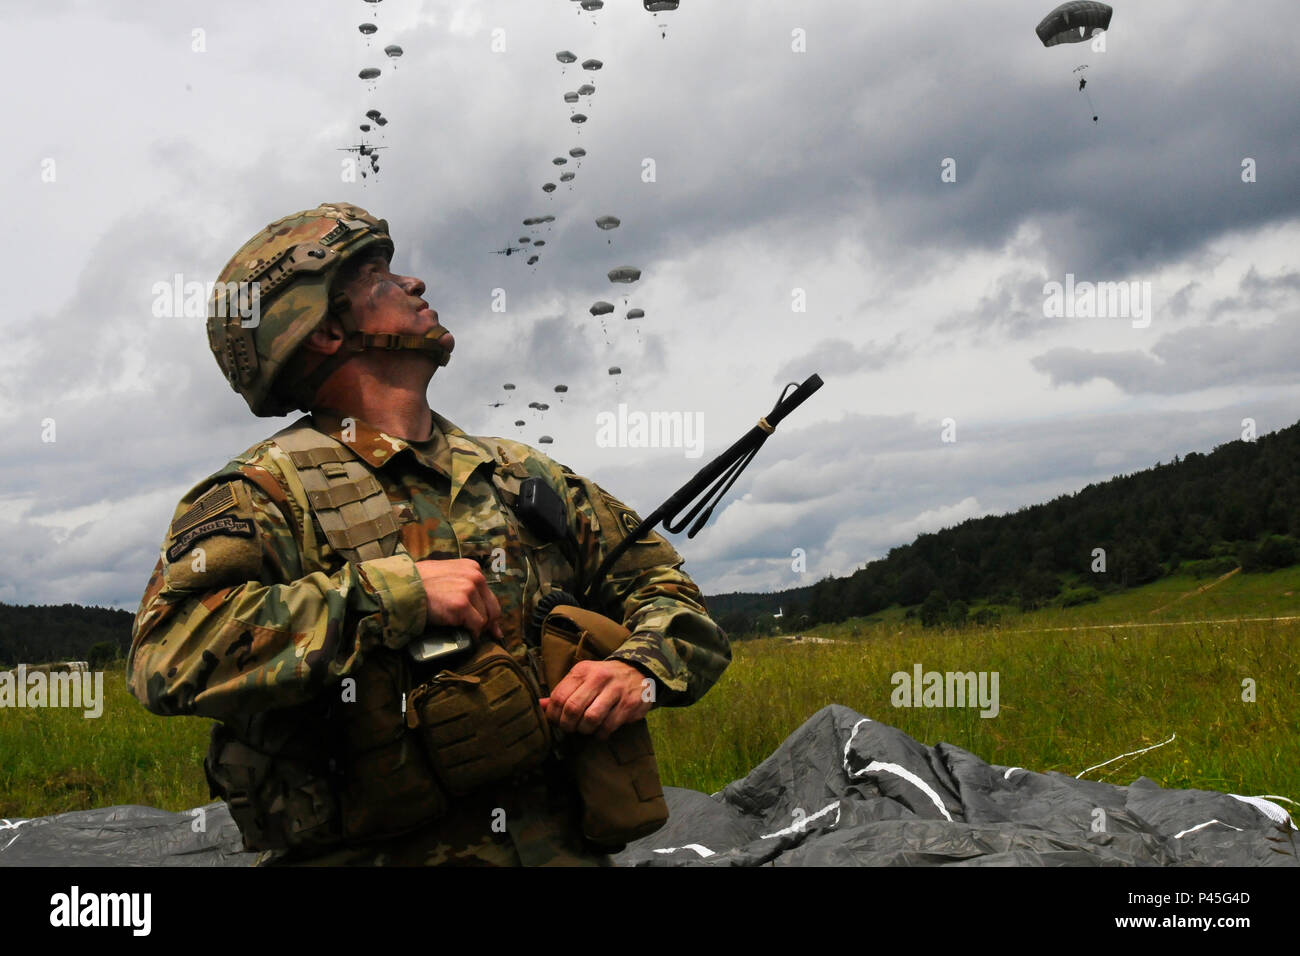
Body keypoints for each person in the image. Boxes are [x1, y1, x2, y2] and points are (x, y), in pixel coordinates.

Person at [127, 202, 730, 865]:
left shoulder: (520, 474)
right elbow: (166, 656)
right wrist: (392, 597)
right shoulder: (263, 493)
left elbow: (670, 596)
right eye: (381, 278)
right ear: (327, 329)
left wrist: (637, 670)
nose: (414, 285)